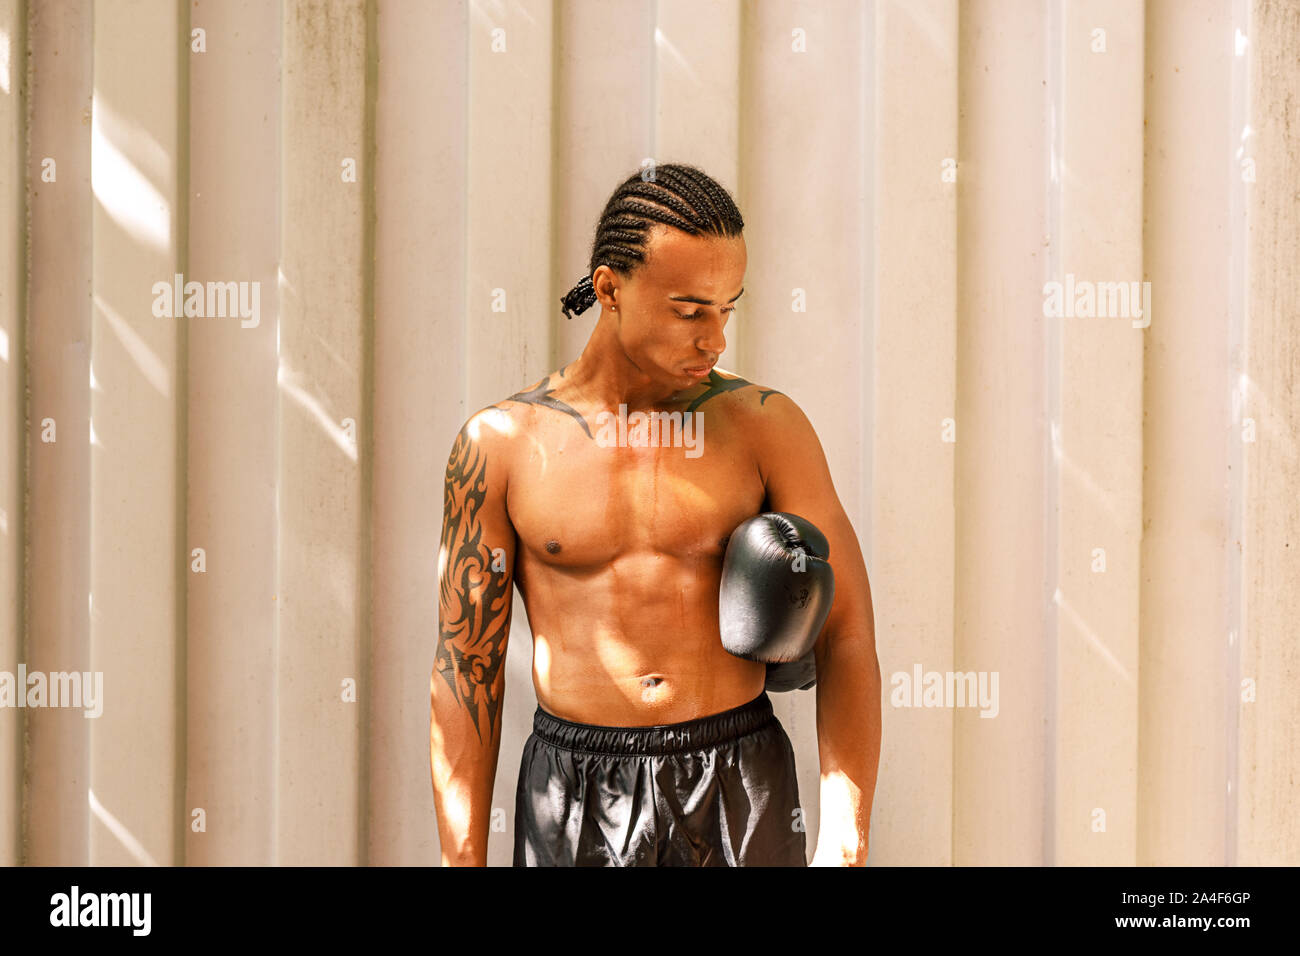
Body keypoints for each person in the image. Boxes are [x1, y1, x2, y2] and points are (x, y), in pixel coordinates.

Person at [431, 163, 881, 866]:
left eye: (727, 309)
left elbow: (849, 635)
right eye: (689, 310)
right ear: (609, 288)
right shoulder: (501, 445)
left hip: (737, 774)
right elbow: (467, 663)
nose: (716, 339)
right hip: (573, 792)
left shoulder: (765, 426)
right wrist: (463, 863)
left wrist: (844, 845)